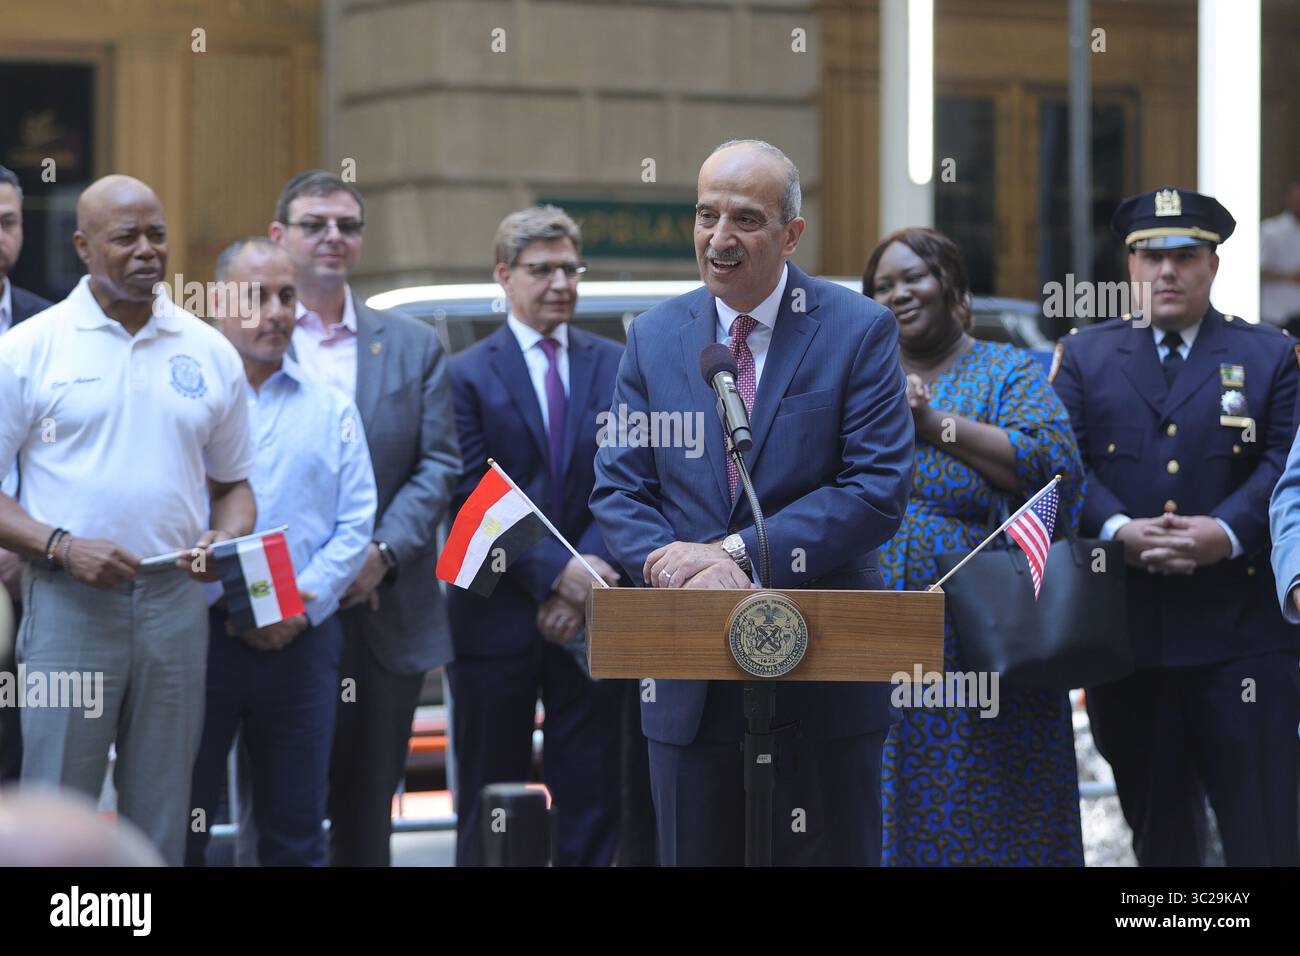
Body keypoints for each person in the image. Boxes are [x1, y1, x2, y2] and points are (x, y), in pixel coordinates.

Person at [590, 139, 914, 866]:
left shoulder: (857, 330)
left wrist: (731, 553)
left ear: (792, 233)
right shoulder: (652, 337)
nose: (719, 238)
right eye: (706, 215)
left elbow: (875, 491)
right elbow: (619, 488)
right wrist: (685, 570)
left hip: (824, 670)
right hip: (687, 672)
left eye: (745, 219)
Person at [0, 174, 257, 865]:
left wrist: (224, 536)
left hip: (177, 602)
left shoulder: (208, 350)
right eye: (125, 237)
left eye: (157, 234)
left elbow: (235, 486)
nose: (147, 250)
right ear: (84, 247)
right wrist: (59, 545)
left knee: (163, 807)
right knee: (60, 802)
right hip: (68, 602)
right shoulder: (30, 348)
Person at [1052, 186, 1300, 866]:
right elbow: (1063, 467)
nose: (1167, 271)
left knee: (1267, 832)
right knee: (1161, 838)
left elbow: (1285, 463)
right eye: (1151, 256)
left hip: (1243, 635)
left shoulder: (1269, 354)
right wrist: (1117, 529)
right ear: (1130, 267)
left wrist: (1225, 531)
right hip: (1130, 640)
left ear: (1213, 265)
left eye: (1185, 255)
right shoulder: (1084, 357)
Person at [863, 227, 1086, 866]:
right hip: (875, 624)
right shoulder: (862, 379)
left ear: (952, 285)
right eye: (883, 287)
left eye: (913, 278)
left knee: (988, 788)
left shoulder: (1005, 369)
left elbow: (1056, 474)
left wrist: (932, 425)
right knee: (881, 778)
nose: (898, 294)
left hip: (983, 626)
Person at [269, 170, 460, 866]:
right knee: (278, 810)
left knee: (365, 817)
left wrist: (379, 553)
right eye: (314, 223)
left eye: (347, 225)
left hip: (384, 606)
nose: (332, 238)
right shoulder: (249, 336)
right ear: (279, 236)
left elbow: (440, 466)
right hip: (277, 608)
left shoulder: (411, 345)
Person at [186, 238, 377, 867]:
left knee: (295, 830)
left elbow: (354, 522)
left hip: (301, 637)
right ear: (217, 302)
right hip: (199, 634)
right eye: (255, 296)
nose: (274, 312)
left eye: (287, 296)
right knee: (182, 819)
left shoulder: (329, 407)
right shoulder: (184, 404)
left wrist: (292, 606)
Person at [446, 205, 625, 866]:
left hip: (597, 608)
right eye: (542, 269)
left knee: (593, 788)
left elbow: (631, 478)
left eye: (570, 268)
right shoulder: (465, 373)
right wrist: (556, 574)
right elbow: (470, 494)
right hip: (495, 613)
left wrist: (587, 575)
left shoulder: (616, 364)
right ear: (504, 275)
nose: (561, 282)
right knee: (493, 796)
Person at [0, 164, 52, 784]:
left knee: (19, 753)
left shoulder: (51, 327)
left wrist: (24, 543)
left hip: (26, 569)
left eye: (8, 222)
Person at [1261, 178, 1300, 335]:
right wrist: (1289, 276)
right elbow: (1259, 270)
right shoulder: (1271, 230)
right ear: (1288, 198)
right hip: (1277, 315)